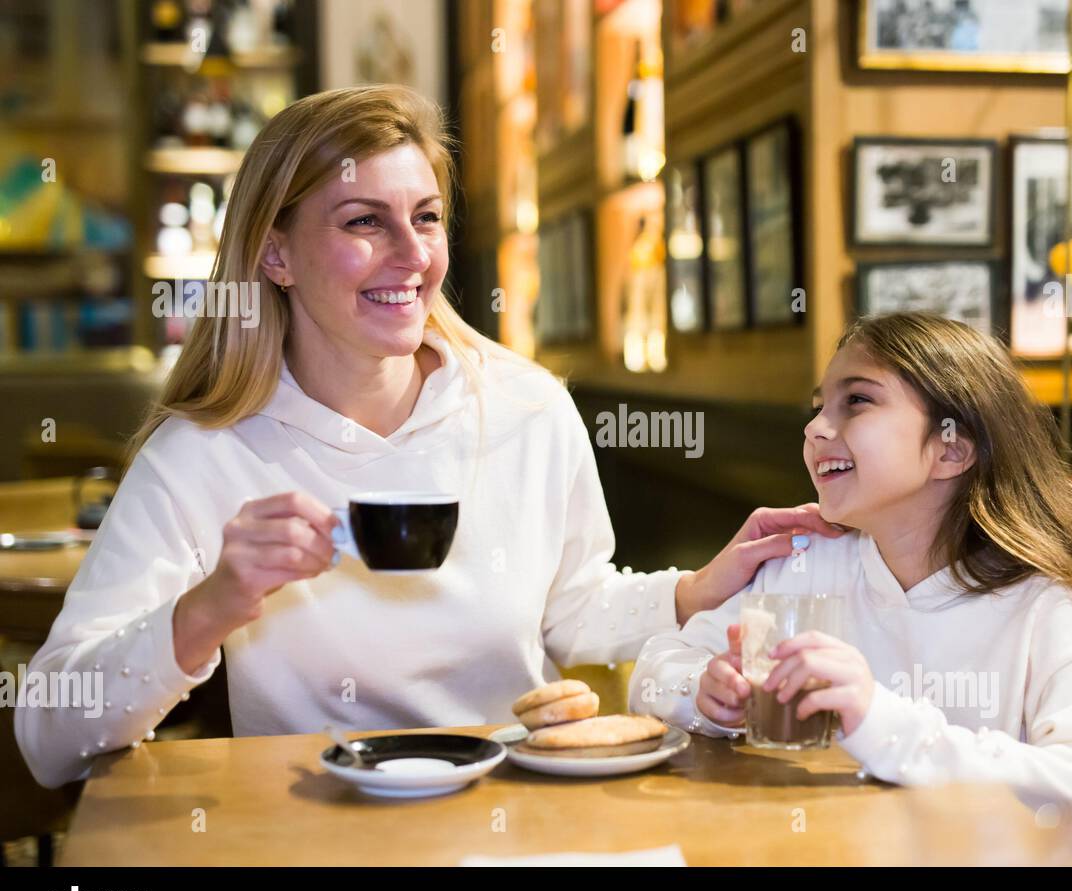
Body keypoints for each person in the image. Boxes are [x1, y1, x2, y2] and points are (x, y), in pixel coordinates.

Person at [16, 85, 838, 788]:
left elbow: (574, 610)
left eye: (427, 217)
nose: (412, 256)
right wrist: (211, 607)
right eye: (364, 222)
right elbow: (49, 737)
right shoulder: (204, 452)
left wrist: (697, 587)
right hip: (309, 828)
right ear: (275, 255)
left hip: (518, 808)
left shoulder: (527, 407)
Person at [631, 310, 1072, 866]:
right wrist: (703, 693)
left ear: (951, 448)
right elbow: (652, 672)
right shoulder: (801, 564)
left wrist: (882, 722)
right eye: (817, 406)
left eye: (855, 401)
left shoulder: (1048, 606)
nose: (814, 428)